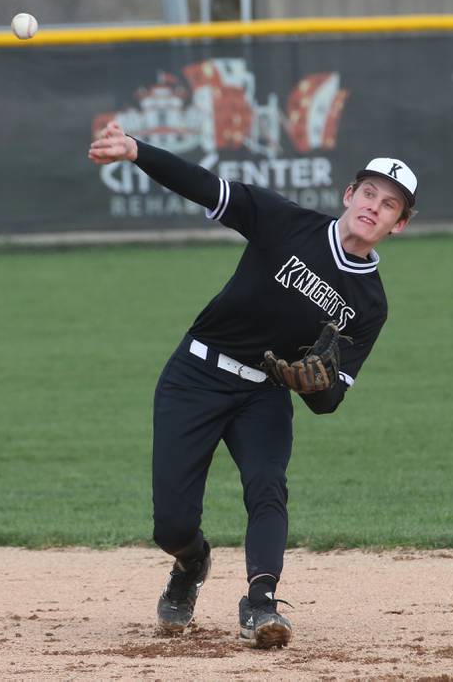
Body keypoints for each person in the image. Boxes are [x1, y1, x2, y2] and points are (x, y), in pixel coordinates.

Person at [88, 121, 417, 649]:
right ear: (349, 194)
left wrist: (309, 384)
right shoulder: (283, 221)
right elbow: (204, 185)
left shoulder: (371, 304)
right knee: (171, 526)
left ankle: (261, 603)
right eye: (370, 192)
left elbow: (331, 400)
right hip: (195, 374)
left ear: (399, 225)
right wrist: (134, 151)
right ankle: (191, 562)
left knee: (267, 487)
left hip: (264, 393)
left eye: (390, 205)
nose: (375, 206)